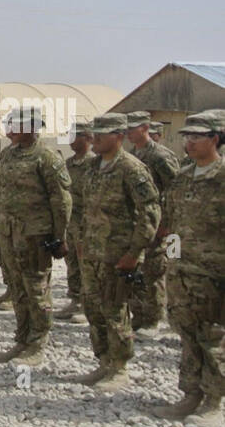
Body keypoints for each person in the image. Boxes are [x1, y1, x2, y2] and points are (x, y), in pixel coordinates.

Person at [71, 113, 159, 389]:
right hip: (92, 252)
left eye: (101, 135)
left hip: (117, 255)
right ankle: (104, 361)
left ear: (119, 136)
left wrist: (134, 253)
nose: (94, 139)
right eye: (93, 134)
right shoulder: (93, 167)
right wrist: (80, 240)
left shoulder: (131, 169)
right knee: (93, 309)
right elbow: (82, 206)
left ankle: (120, 368)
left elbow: (150, 212)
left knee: (115, 310)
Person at [153, 111, 225, 426]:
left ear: (215, 139)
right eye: (187, 136)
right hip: (183, 273)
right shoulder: (182, 177)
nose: (189, 142)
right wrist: (172, 261)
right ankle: (191, 394)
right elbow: (171, 224)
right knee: (187, 334)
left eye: (196, 137)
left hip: (214, 274)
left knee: (213, 336)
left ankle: (214, 401)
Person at [0, 106, 71, 367]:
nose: (10, 131)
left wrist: (60, 237)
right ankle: (22, 339)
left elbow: (61, 200)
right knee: (17, 287)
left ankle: (37, 343)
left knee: (36, 288)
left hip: (35, 235)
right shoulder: (8, 154)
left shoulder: (47, 157)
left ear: (31, 127)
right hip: (10, 233)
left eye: (16, 126)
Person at [125, 111, 180, 332]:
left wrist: (166, 223)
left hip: (158, 224)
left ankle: (154, 319)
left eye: (133, 128)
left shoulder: (160, 156)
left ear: (145, 128)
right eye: (127, 128)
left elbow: (175, 190)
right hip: (137, 224)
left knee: (154, 271)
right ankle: (139, 316)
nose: (129, 132)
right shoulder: (131, 154)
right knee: (136, 272)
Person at [58, 120, 94, 322]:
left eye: (75, 136)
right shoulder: (69, 164)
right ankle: (75, 299)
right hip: (70, 222)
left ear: (88, 138)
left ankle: (88, 305)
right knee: (72, 262)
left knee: (86, 264)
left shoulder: (94, 164)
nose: (70, 140)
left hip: (86, 224)